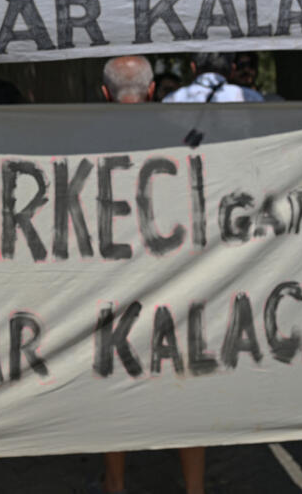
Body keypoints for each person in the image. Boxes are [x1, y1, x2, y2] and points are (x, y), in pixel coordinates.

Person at [92, 55, 205, 494]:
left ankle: (115, 483)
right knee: (185, 385)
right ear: (153, 90)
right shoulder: (183, 137)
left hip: (111, 288)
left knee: (114, 385)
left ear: (104, 94)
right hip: (178, 284)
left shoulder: (84, 141)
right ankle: (194, 488)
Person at [164, 52, 264, 103]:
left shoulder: (172, 99)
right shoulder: (252, 99)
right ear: (232, 69)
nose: (246, 70)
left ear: (193, 67)